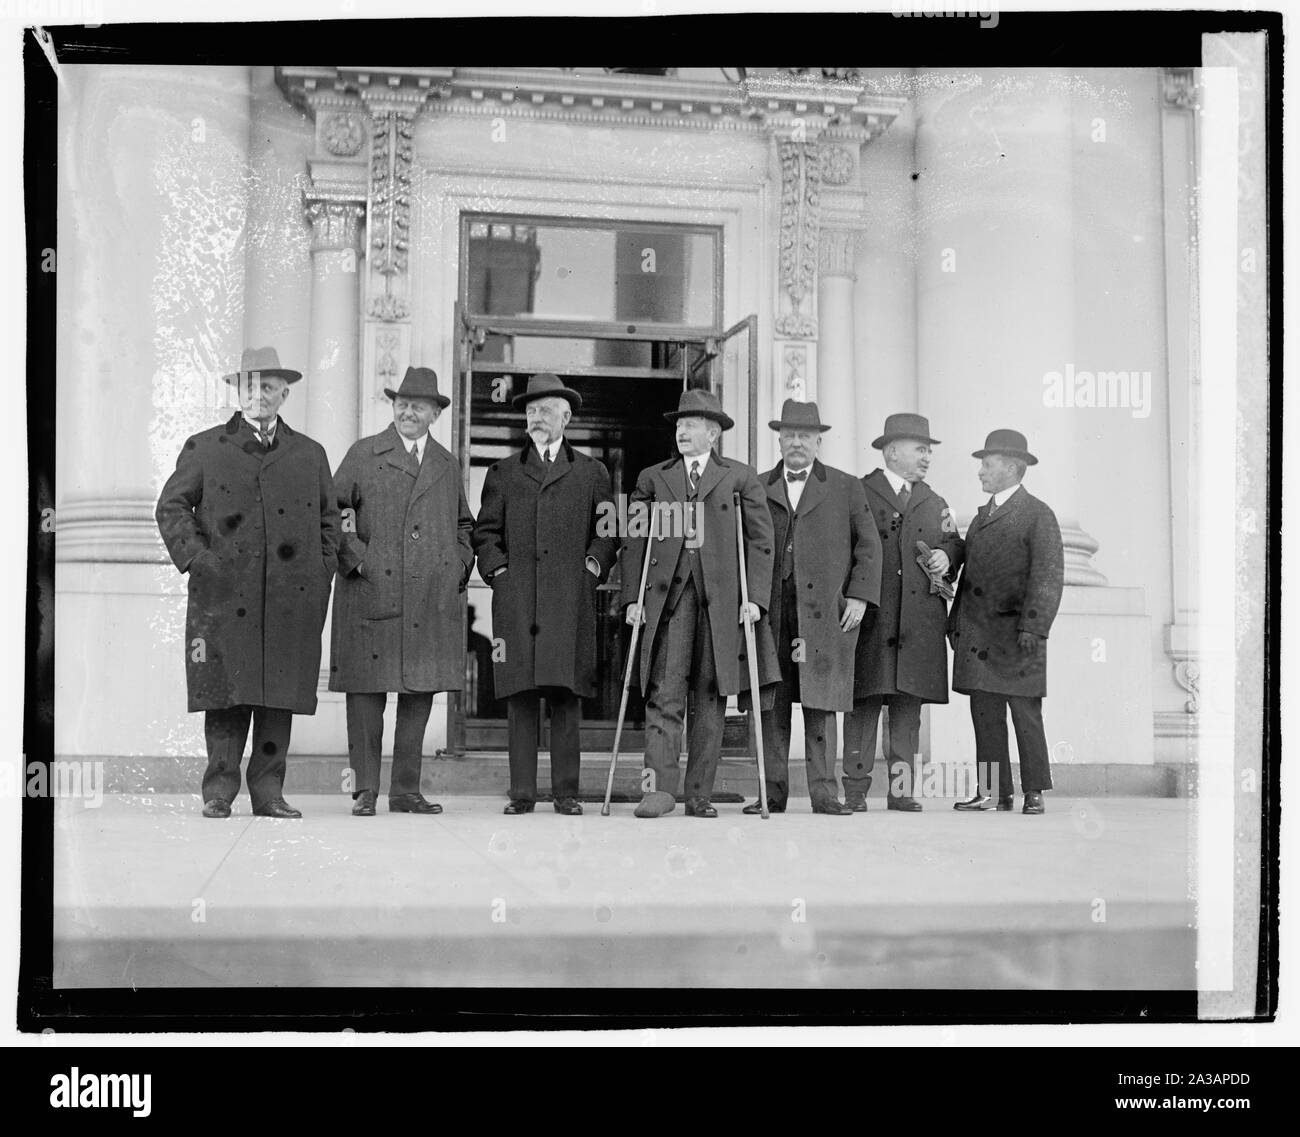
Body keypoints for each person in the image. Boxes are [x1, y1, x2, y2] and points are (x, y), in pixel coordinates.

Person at [156, 346, 339, 819]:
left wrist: (321, 573)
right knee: (226, 693)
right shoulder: (206, 446)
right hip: (222, 596)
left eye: (269, 386)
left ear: (284, 392)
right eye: (250, 386)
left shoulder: (310, 454)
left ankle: (269, 793)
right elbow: (171, 506)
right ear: (238, 392)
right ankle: (218, 791)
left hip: (290, 596)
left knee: (279, 697)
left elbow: (328, 520)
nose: (259, 395)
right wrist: (199, 559)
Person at [623, 389, 774, 819]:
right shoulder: (654, 478)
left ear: (712, 433)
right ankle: (659, 791)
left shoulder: (741, 479)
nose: (681, 432)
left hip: (722, 605)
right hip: (671, 603)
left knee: (710, 700)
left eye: (690, 425)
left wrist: (756, 599)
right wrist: (633, 598)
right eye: (678, 425)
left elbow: (761, 543)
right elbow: (634, 541)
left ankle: (699, 794)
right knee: (663, 694)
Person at [330, 366, 474, 817]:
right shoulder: (364, 453)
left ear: (434, 413)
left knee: (419, 694)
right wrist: (359, 559)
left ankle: (406, 791)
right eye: (402, 404)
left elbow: (464, 524)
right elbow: (334, 510)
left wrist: (456, 565)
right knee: (367, 697)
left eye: (418, 406)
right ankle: (365, 790)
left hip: (430, 596)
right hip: (372, 592)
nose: (408, 411)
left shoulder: (446, 464)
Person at [472, 373, 618, 816]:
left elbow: (607, 533)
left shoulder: (593, 472)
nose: (537, 417)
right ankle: (521, 794)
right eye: (531, 411)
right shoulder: (502, 473)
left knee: (565, 697)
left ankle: (566, 793)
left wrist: (591, 570)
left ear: (567, 417)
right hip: (518, 602)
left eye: (546, 410)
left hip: (569, 601)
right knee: (520, 698)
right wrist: (499, 572)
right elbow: (485, 533)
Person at [745, 399, 880, 816]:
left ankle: (824, 794)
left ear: (818, 441)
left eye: (805, 435)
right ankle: (772, 794)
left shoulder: (845, 486)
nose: (796, 442)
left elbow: (869, 545)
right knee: (772, 704)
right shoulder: (757, 485)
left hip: (823, 613)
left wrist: (858, 596)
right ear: (780, 440)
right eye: (789, 435)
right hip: (772, 612)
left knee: (820, 703)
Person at [845, 413, 965, 812]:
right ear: (893, 451)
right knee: (863, 704)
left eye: (929, 451)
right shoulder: (859, 492)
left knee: (907, 710)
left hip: (917, 622)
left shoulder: (935, 500)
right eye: (921, 449)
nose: (927, 457)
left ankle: (901, 791)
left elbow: (955, 542)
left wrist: (947, 556)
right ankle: (856, 791)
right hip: (874, 618)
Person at [949, 429, 1064, 814]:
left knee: (1025, 714)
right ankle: (993, 792)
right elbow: (969, 577)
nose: (980, 471)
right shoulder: (983, 516)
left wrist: (1033, 627)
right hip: (980, 635)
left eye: (987, 463)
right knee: (985, 714)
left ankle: (1034, 790)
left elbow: (1048, 576)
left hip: (1019, 636)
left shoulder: (1037, 514)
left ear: (1012, 467)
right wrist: (956, 622)